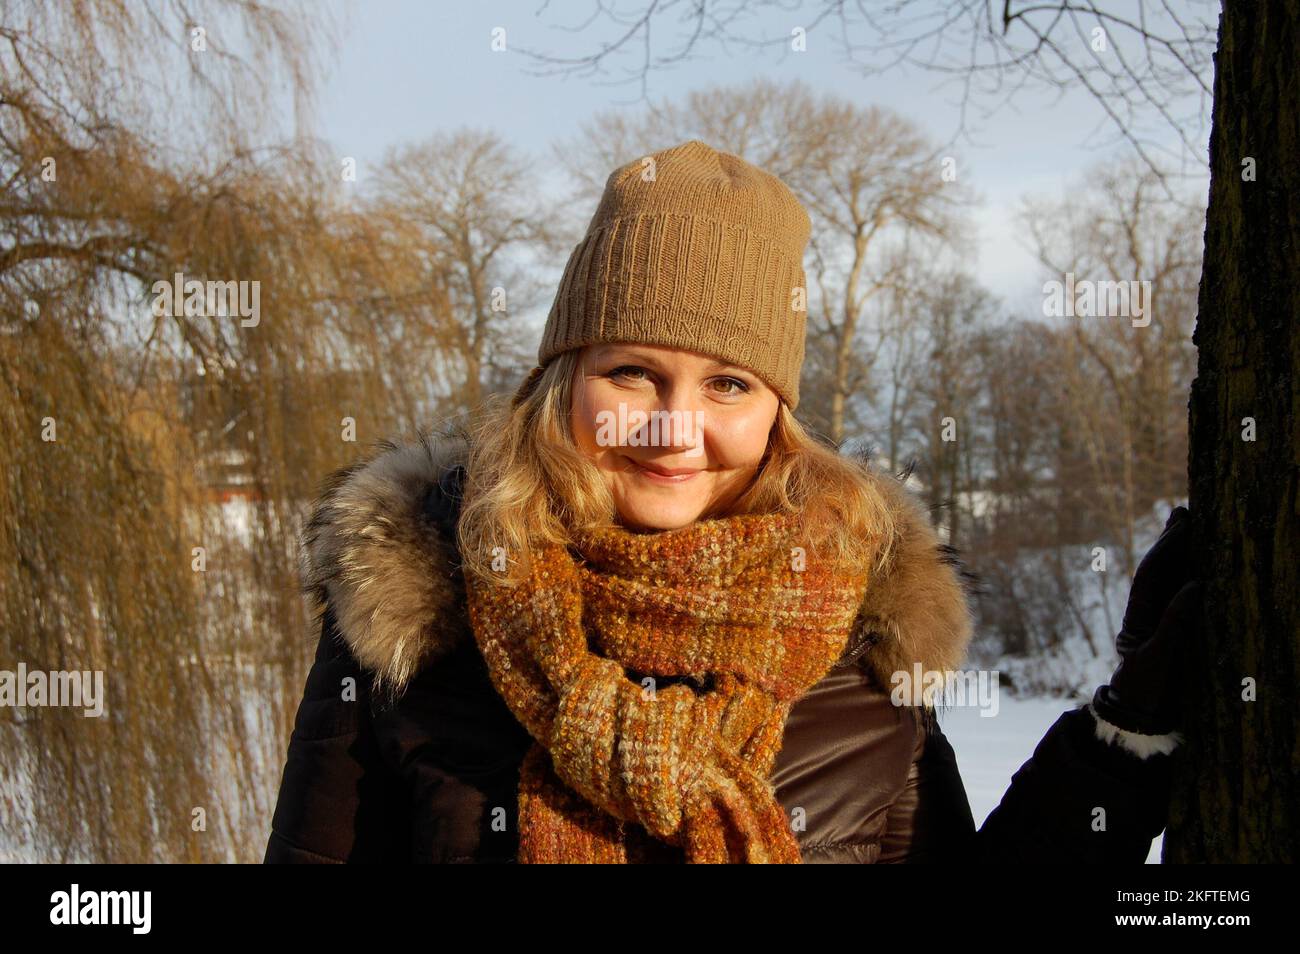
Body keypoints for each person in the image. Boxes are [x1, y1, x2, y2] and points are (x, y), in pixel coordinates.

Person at [263, 140, 1200, 863]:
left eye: (728, 386)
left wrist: (1118, 745)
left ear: (777, 413)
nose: (675, 430)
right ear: (563, 381)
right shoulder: (419, 615)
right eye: (633, 372)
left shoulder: (857, 631)